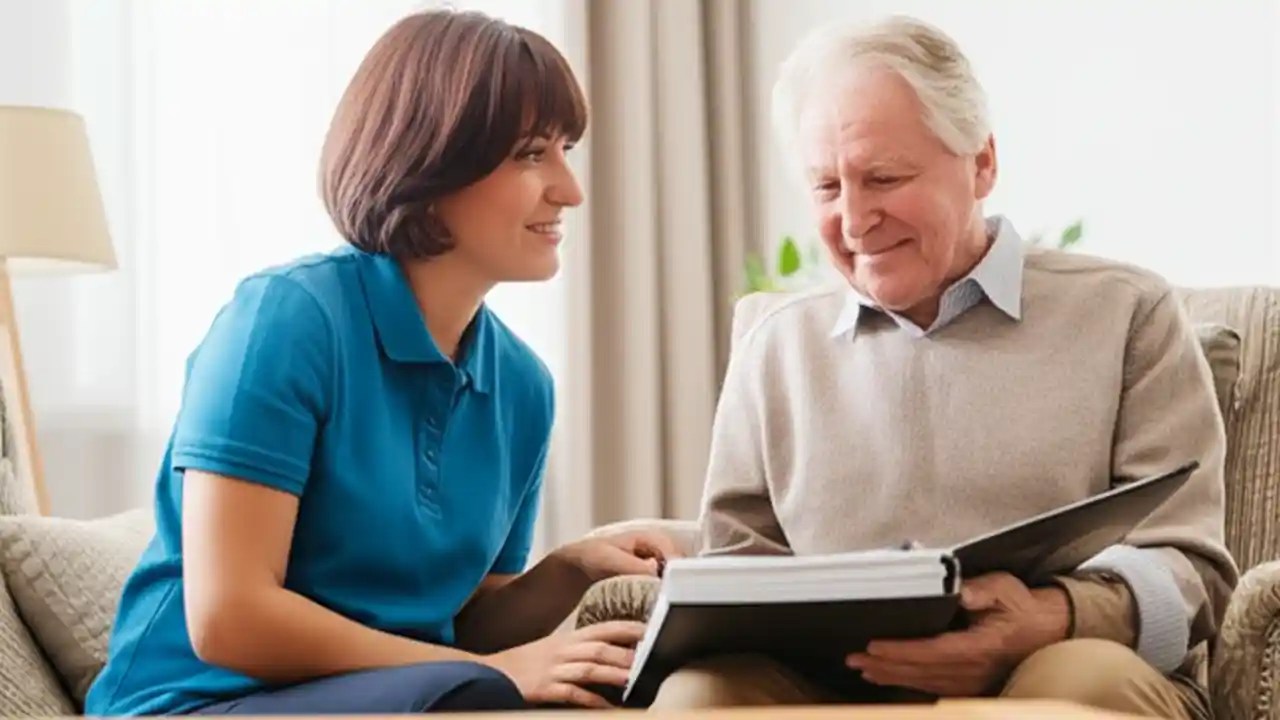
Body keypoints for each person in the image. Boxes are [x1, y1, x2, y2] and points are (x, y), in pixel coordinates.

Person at [85, 9, 678, 716]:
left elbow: (457, 621)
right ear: (431, 161)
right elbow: (229, 618)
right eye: (529, 153)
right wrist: (494, 673)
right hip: (200, 703)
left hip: (399, 696)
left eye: (565, 149)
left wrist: (566, 574)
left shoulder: (523, 386)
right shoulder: (286, 321)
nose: (569, 190)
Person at [649, 15, 1236, 720]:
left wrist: (1051, 616)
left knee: (1081, 687)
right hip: (840, 684)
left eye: (883, 178)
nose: (856, 219)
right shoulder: (775, 345)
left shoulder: (1127, 312)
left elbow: (1192, 567)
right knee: (696, 699)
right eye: (828, 188)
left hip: (1064, 661)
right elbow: (735, 565)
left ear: (981, 163)